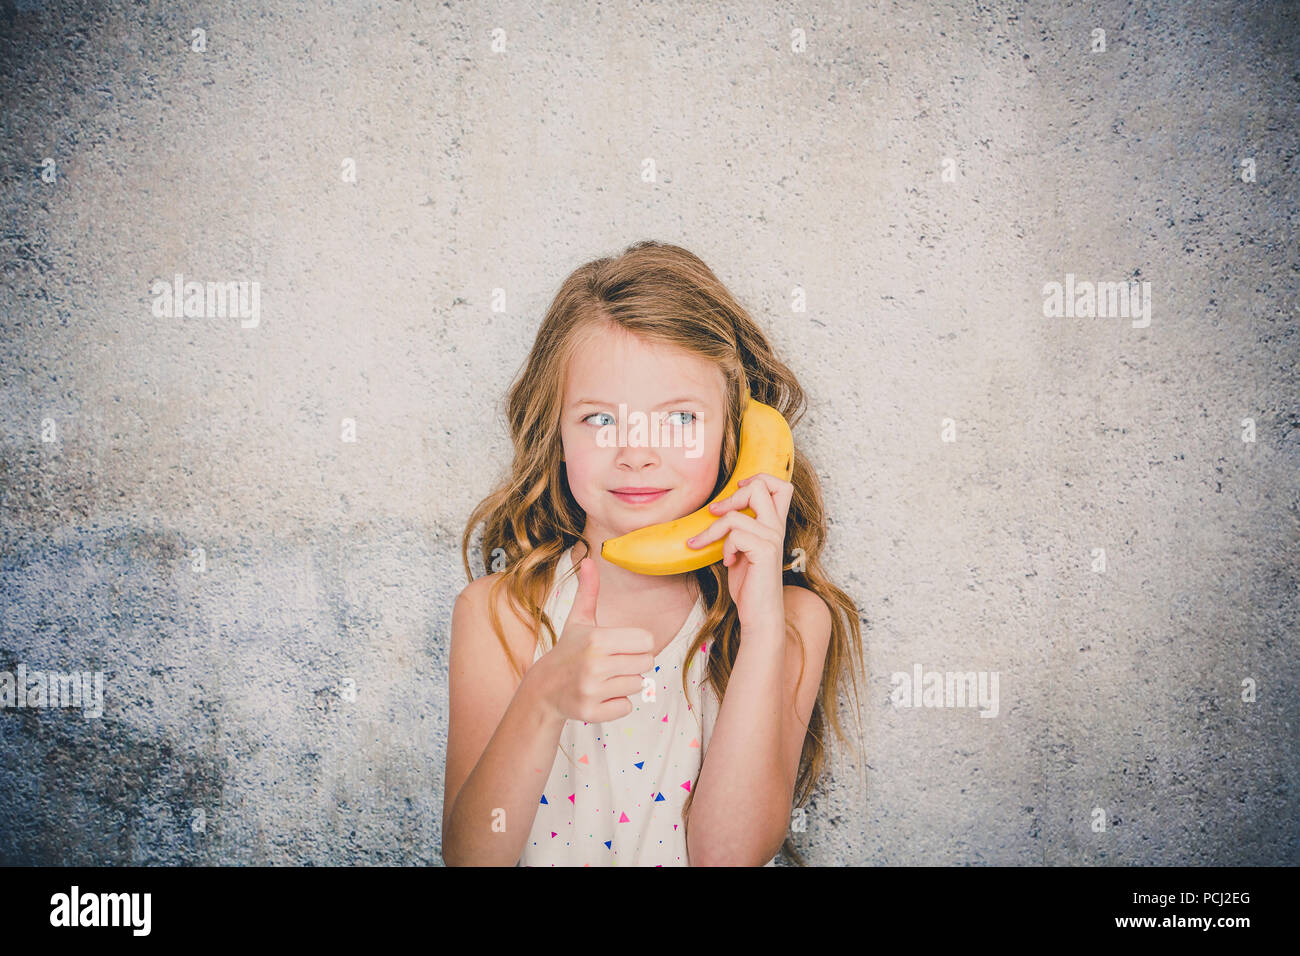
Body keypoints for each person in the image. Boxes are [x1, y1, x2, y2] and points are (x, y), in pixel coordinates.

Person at [442, 240, 867, 866]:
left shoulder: (795, 622)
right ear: (554, 431)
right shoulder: (499, 615)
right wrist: (542, 698)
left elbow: (727, 856)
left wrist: (762, 632)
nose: (637, 452)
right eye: (600, 420)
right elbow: (471, 859)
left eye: (679, 419)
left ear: (733, 435)